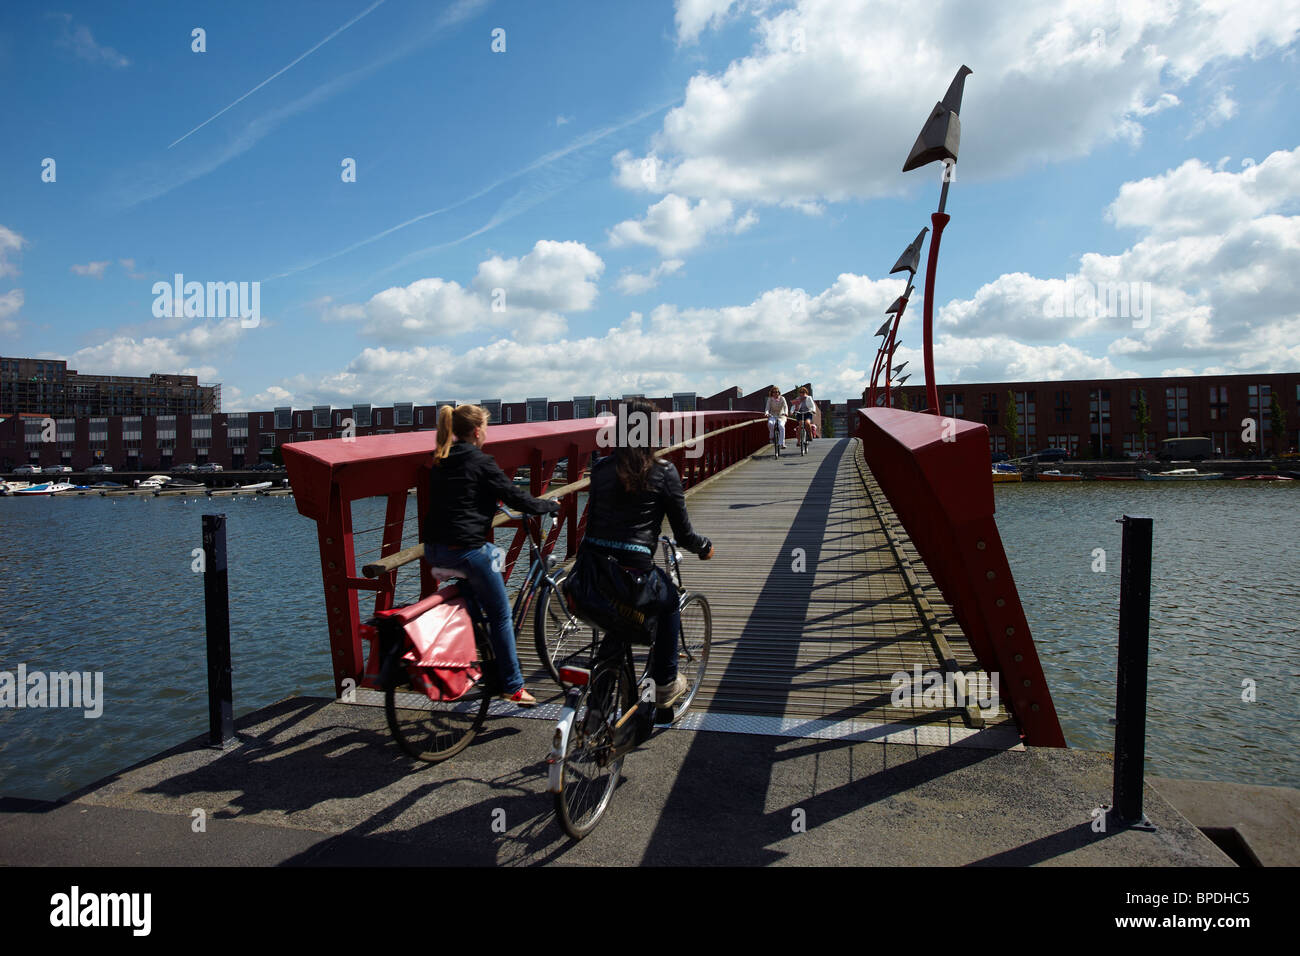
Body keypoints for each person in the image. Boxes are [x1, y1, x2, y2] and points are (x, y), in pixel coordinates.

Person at [574, 400, 714, 706]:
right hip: (633, 574)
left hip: (593, 574)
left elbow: (594, 523)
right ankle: (664, 684)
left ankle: (597, 709)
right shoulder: (664, 472)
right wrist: (704, 547)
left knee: (621, 620)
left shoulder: (600, 469)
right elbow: (684, 535)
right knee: (668, 603)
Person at [422, 404, 560, 707]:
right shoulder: (481, 461)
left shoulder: (441, 459)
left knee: (483, 580)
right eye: (486, 427)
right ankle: (512, 685)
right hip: (464, 551)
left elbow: (461, 497)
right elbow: (515, 496)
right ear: (476, 431)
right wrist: (548, 506)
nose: (487, 432)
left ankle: (475, 643)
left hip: (434, 550)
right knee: (500, 615)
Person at [765, 386, 788, 452]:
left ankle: (782, 443)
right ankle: (771, 436)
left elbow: (785, 406)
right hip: (772, 415)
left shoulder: (782, 398)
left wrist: (786, 413)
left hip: (781, 415)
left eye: (777, 392)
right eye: (774, 392)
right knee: (770, 423)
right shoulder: (770, 399)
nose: (776, 393)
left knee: (781, 426)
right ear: (772, 393)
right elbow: (767, 408)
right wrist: (766, 413)